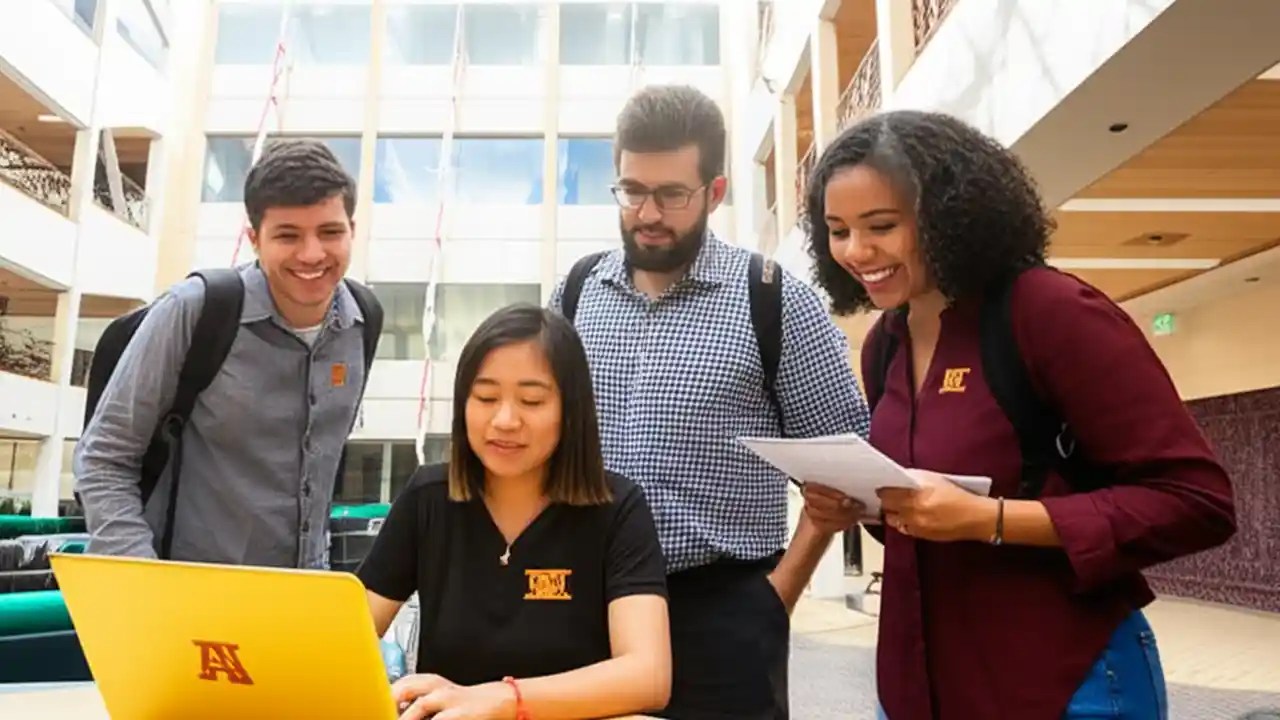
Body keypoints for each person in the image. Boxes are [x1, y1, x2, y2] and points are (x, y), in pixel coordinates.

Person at [801, 109, 1237, 720]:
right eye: (837, 230)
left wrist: (993, 519)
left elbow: (1197, 502)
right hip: (917, 685)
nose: (855, 251)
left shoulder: (1048, 312)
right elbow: (932, 520)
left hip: (1062, 681)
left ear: (949, 216)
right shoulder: (884, 344)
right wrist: (867, 507)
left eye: (881, 225)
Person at [549, 84, 871, 720]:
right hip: (584, 604)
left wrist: (777, 595)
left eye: (672, 194)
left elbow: (845, 472)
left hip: (723, 612)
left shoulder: (776, 300)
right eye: (632, 190)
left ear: (715, 193)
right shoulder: (575, 292)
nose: (648, 213)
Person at [75, 139, 381, 568]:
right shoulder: (198, 309)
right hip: (188, 601)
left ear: (352, 228)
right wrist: (145, 582)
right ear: (255, 239)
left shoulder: (364, 321)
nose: (312, 254)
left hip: (300, 601)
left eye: (330, 232)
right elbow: (104, 457)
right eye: (288, 235)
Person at [358, 304, 671, 720]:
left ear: (569, 410)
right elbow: (346, 641)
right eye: (486, 397)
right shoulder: (428, 497)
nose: (504, 420)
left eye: (532, 400)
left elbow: (648, 676)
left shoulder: (617, 508)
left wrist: (506, 701)